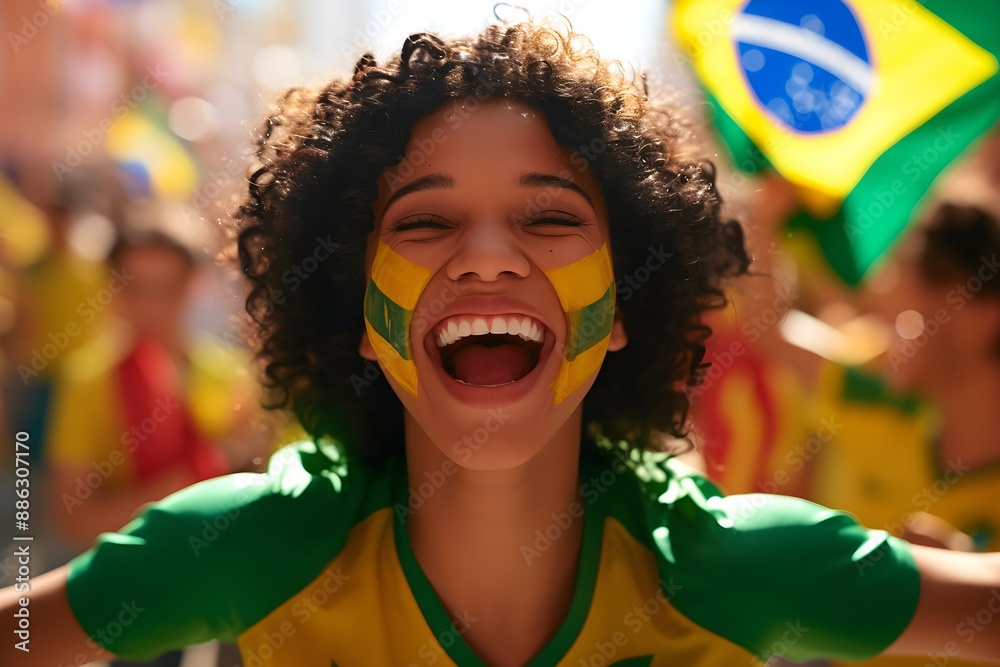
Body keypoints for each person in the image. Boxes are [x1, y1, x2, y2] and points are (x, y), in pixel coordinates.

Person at [3, 20, 1000, 667]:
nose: (486, 259)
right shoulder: (264, 545)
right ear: (358, 309)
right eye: (426, 224)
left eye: (550, 220)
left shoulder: (721, 567)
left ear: (623, 306)